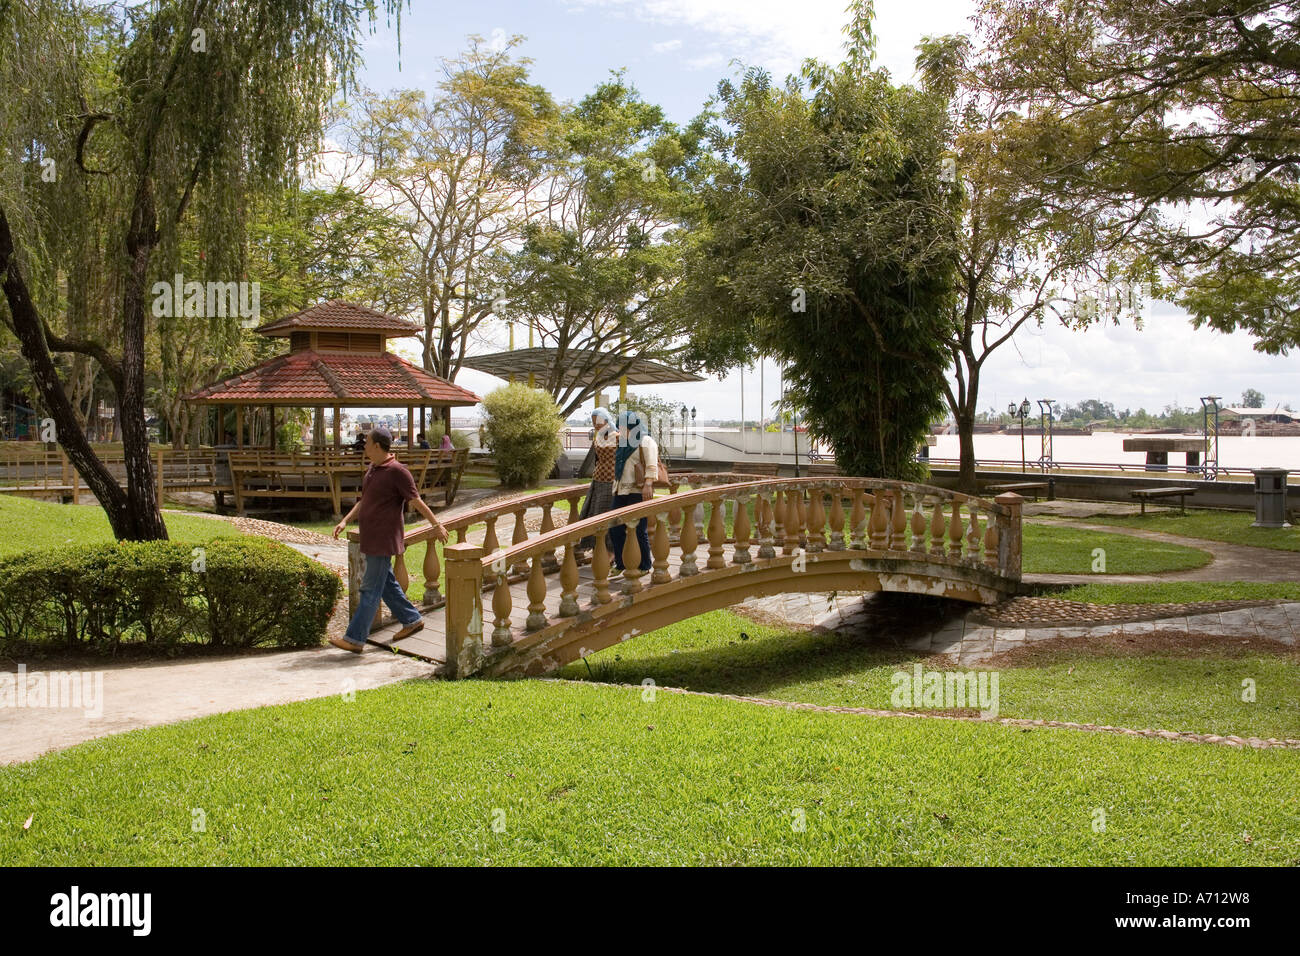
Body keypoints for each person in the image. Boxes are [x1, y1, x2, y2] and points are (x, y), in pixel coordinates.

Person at [330, 427, 449, 653]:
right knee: (386, 584)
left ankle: (354, 639)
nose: (363, 447)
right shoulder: (373, 470)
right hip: (371, 535)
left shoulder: (397, 472)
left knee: (370, 589)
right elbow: (364, 501)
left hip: (383, 539)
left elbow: (415, 501)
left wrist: (437, 525)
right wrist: (345, 520)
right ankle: (412, 619)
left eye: (366, 443)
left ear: (377, 446)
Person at [608, 409, 657, 574]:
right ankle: (621, 563)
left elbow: (651, 465)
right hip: (620, 490)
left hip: (637, 491)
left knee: (638, 529)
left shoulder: (645, 441)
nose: (621, 430)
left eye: (624, 427)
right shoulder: (622, 442)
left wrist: (648, 484)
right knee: (614, 527)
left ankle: (645, 565)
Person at [575, 407, 617, 554]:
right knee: (593, 513)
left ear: (607, 420)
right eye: (594, 423)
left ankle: (609, 551)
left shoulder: (618, 436)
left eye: (599, 422)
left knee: (606, 514)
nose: (596, 425)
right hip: (598, 479)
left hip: (612, 480)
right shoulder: (598, 437)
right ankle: (596, 548)